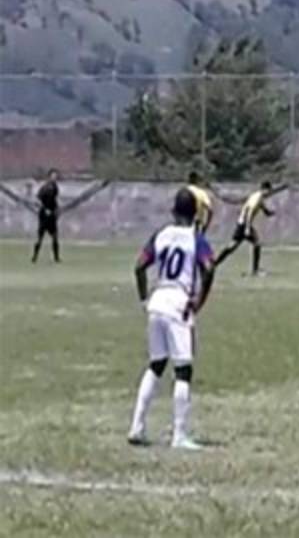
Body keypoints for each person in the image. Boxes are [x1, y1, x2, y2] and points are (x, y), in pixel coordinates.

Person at [127, 188, 216, 451]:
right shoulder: (195, 239)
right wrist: (199, 300)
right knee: (183, 370)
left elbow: (139, 266)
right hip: (178, 303)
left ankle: (137, 426)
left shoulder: (161, 235)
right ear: (195, 213)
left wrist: (144, 299)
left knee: (156, 364)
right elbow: (209, 268)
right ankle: (179, 435)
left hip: (157, 301)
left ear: (173, 211)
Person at [214, 182, 276, 276]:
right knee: (257, 244)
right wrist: (247, 228)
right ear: (265, 189)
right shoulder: (257, 198)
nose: (270, 193)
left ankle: (214, 264)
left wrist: (268, 212)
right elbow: (249, 212)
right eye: (269, 191)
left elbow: (262, 207)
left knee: (232, 246)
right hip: (245, 223)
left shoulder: (257, 196)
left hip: (241, 223)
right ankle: (255, 271)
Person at [32, 169, 60, 264]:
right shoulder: (45, 187)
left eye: (56, 176)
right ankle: (34, 257)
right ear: (49, 176)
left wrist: (56, 209)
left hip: (52, 215)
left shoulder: (55, 187)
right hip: (44, 216)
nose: (55, 177)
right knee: (40, 237)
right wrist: (45, 209)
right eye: (53, 176)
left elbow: (54, 201)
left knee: (55, 237)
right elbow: (38, 199)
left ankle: (56, 258)